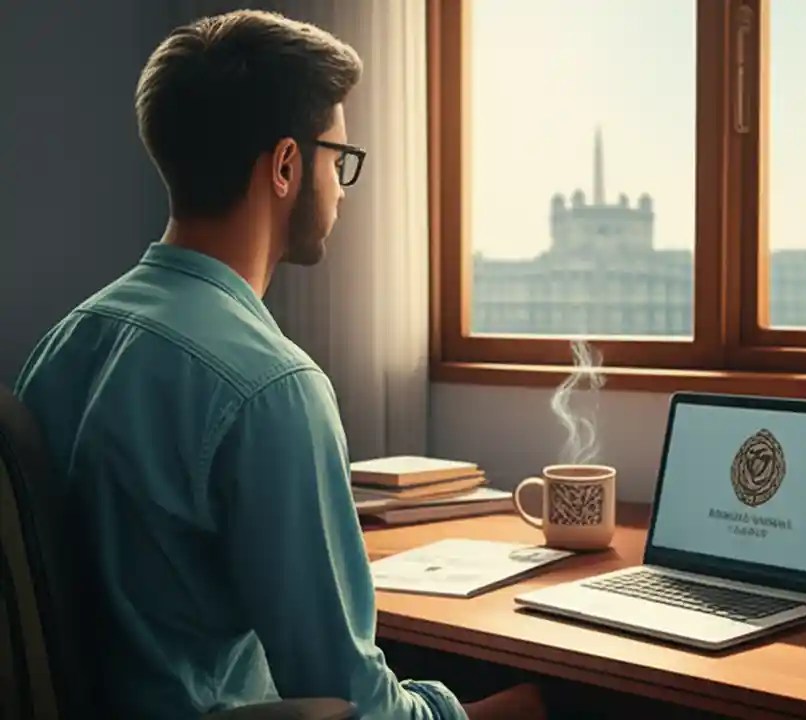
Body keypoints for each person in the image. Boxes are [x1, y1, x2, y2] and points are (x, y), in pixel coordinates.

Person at [14, 10, 544, 719]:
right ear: (288, 165)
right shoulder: (271, 387)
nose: (343, 188)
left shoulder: (64, 342)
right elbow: (354, 704)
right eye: (339, 160)